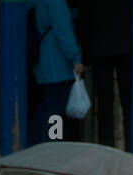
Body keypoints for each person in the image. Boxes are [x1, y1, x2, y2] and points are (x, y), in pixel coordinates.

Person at [76, 0, 132, 148]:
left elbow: (84, 19)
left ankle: (106, 146)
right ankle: (132, 145)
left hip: (99, 49)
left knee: (104, 105)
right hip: (127, 47)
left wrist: (85, 56)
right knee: (129, 103)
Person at [28, 0, 84, 146]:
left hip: (43, 63)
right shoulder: (55, 2)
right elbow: (63, 30)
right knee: (56, 110)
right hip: (57, 64)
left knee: (45, 107)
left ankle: (35, 144)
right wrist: (76, 58)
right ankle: (52, 145)